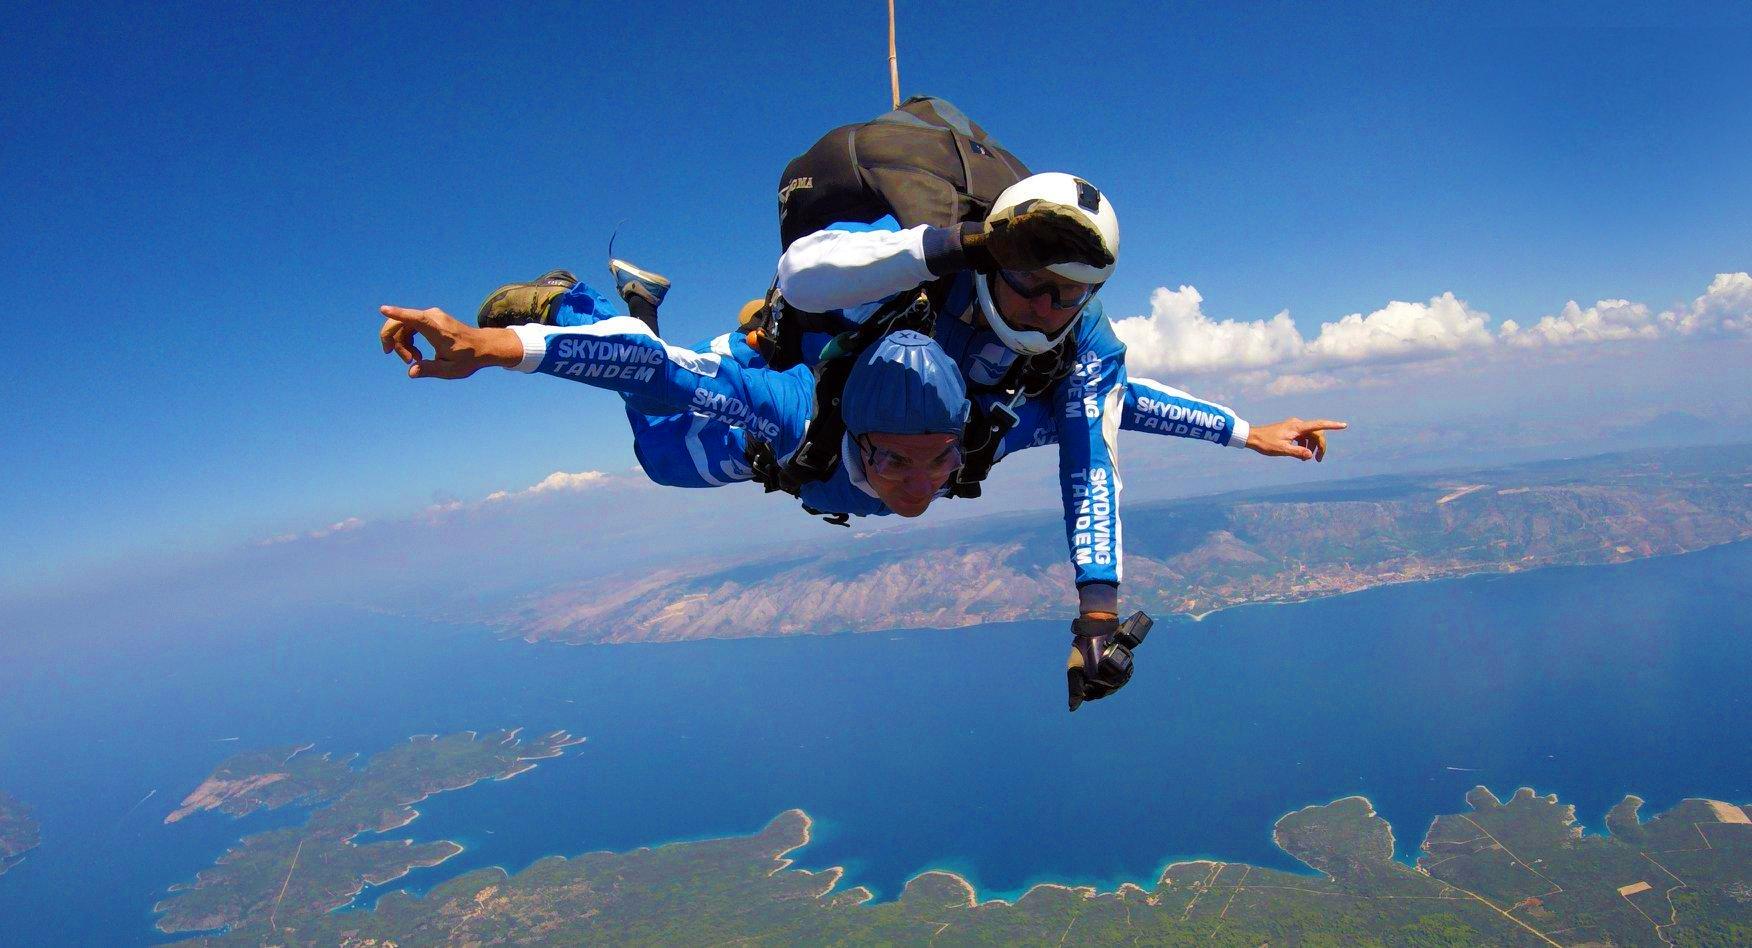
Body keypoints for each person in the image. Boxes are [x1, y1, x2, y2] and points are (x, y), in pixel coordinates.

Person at [764, 171, 1346, 705]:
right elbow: (800, 277)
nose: (1044, 306)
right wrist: (957, 246)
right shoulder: (929, 271)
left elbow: (1096, 446)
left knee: (1073, 407)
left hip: (937, 458)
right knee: (712, 440)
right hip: (818, 439)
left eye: (1069, 290)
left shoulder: (1085, 341)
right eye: (1029, 279)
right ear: (997, 257)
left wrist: (1098, 618)